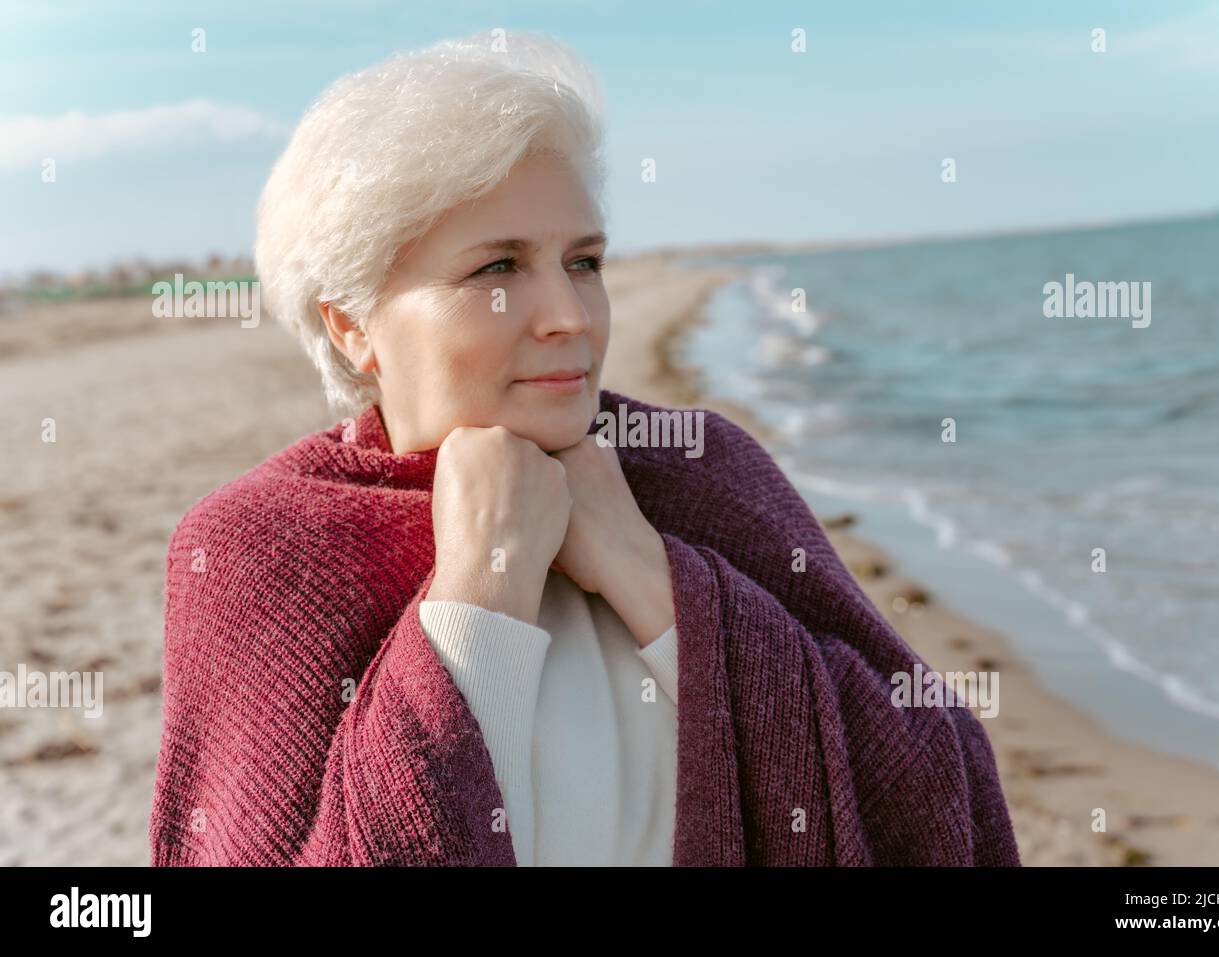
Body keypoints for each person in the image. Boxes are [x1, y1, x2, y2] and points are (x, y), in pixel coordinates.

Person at [148, 29, 1021, 867]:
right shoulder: (256, 554)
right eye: (498, 269)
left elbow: (941, 782)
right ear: (353, 329)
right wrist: (477, 595)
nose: (570, 313)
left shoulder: (703, 473)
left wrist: (656, 577)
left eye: (585, 261)